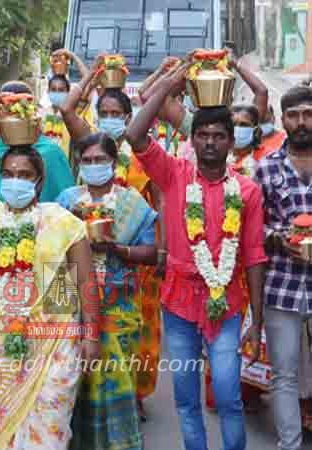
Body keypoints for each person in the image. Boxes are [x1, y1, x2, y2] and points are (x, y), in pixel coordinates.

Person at [0, 93, 100, 450]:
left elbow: (86, 283)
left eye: (25, 174)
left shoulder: (63, 222)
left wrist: (91, 336)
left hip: (55, 345)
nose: (16, 180)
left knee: (49, 434)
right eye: (9, 174)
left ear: (39, 181)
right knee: (3, 436)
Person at [124, 63, 267, 450]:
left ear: (230, 142)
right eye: (202, 134)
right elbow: (134, 134)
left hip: (228, 302)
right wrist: (169, 83)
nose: (209, 142)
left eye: (218, 136)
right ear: (193, 138)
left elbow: (254, 255)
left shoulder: (248, 191)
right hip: (179, 301)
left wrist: (256, 320)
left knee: (227, 395)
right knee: (186, 398)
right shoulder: (174, 174)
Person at [62, 56, 166, 419]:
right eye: (101, 110)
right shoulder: (88, 153)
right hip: (84, 271)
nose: (107, 115)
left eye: (114, 111)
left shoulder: (142, 154)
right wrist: (89, 74)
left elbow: (161, 199)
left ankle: (133, 392)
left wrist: (156, 249)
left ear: (127, 117)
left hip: (133, 251)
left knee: (138, 331)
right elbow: (67, 110)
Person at [57, 132, 157, 450]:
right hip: (71, 302)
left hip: (118, 307)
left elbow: (152, 252)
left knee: (114, 382)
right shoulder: (66, 201)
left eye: (100, 159)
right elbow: (50, 252)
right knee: (72, 381)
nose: (93, 165)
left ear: (114, 163)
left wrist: (118, 249)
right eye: (86, 160)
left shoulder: (132, 203)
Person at [254, 85, 312, 450]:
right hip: (283, 285)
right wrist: (279, 239)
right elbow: (251, 229)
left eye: (308, 113)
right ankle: (289, 445)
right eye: (294, 115)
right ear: (282, 117)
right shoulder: (266, 168)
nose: (302, 121)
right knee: (284, 375)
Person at [0, 80, 75, 204]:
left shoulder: (51, 152)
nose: (15, 115)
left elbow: (66, 201)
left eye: (20, 109)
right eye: (9, 109)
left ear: (31, 112)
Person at [41, 49, 94, 163]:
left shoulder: (74, 112)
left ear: (68, 92)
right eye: (53, 90)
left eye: (61, 90)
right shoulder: (42, 113)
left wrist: (73, 56)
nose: (57, 93)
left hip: (66, 165)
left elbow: (89, 84)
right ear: (48, 91)